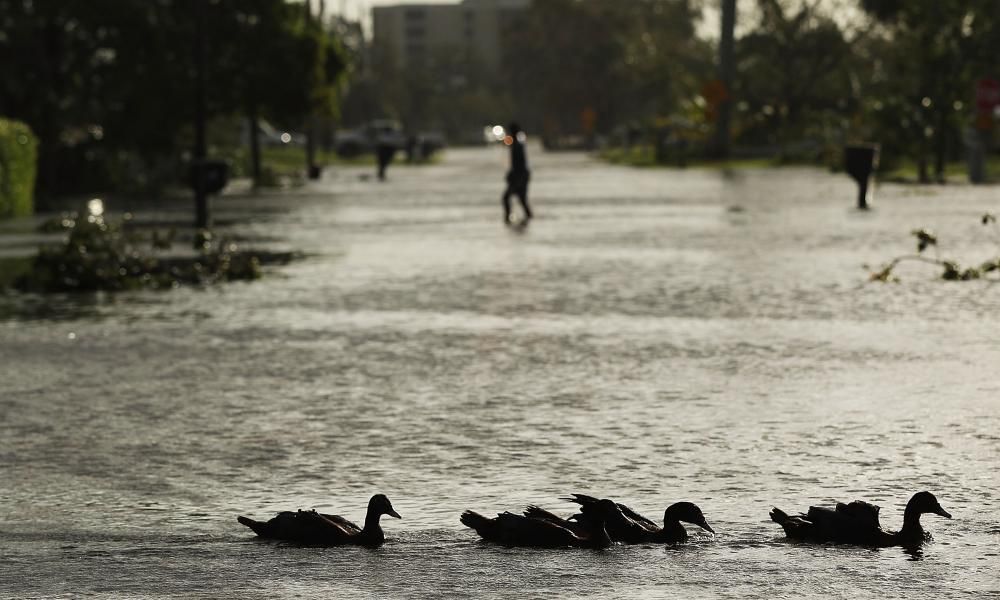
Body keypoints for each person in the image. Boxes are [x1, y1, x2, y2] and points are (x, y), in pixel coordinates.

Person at [502, 122, 532, 224]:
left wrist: (518, 179)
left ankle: (507, 219)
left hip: (520, 176)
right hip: (520, 176)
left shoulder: (517, 146)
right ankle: (527, 218)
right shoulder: (515, 145)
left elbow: (520, 164)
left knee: (507, 198)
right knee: (522, 200)